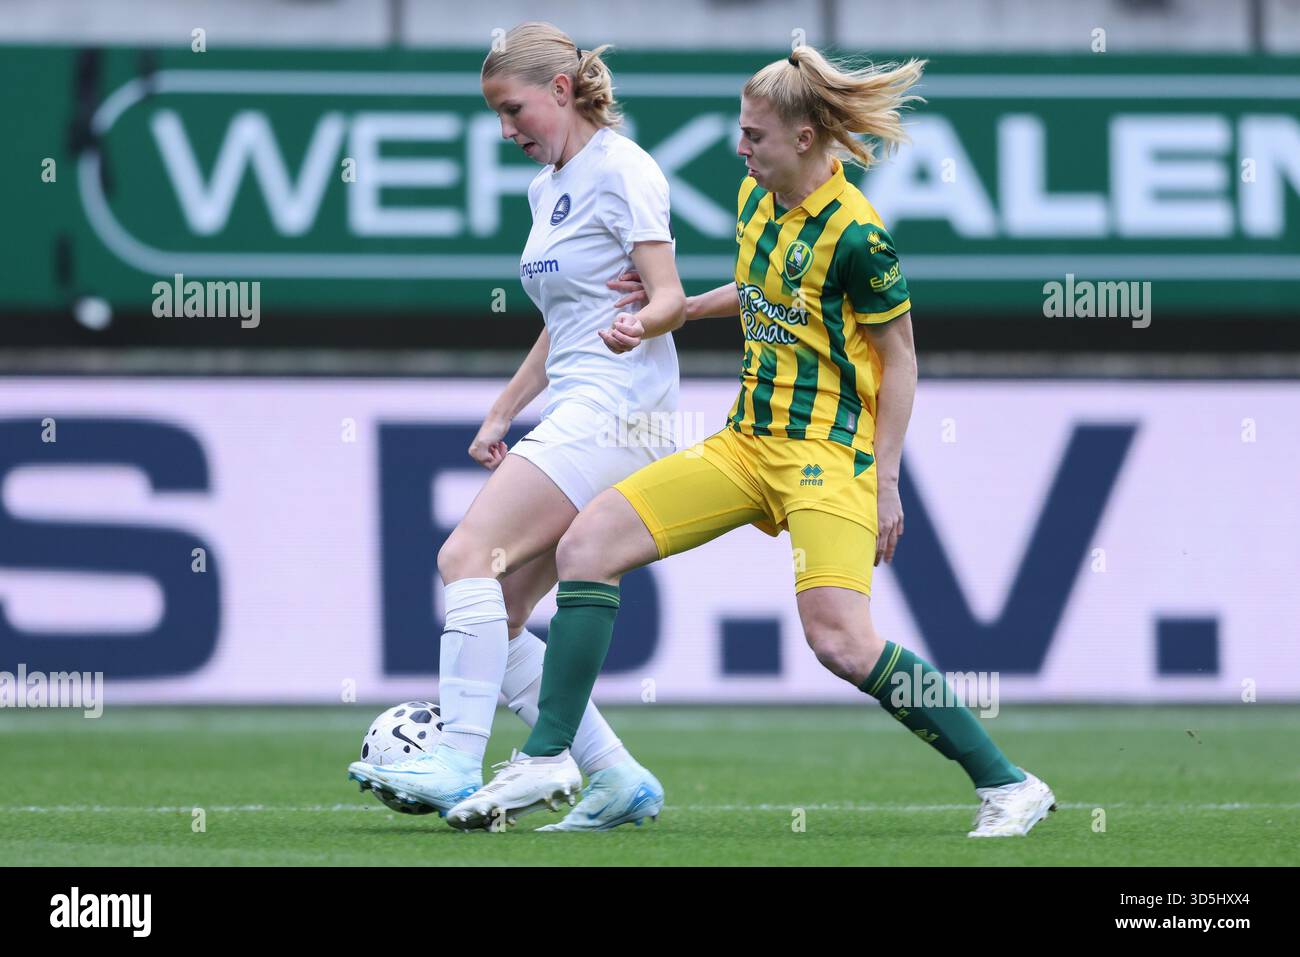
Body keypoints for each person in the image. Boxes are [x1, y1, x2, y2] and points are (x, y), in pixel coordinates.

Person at [447, 46, 1057, 838]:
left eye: (754, 135)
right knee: (587, 545)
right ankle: (551, 752)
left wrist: (888, 480)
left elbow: (901, 356)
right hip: (746, 442)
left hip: (826, 456)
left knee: (840, 641)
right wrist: (691, 307)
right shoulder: (756, 198)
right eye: (742, 132)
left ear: (805, 138)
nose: (741, 148)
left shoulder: (860, 237)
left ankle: (1008, 782)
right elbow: (765, 287)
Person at [348, 21, 686, 831]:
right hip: (583, 401)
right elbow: (565, 318)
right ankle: (617, 777)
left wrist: (643, 325)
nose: (506, 130)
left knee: (463, 554)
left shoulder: (625, 168)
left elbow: (668, 295)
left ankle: (457, 757)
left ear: (561, 91)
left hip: (621, 409)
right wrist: (505, 405)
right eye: (497, 115)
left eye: (513, 109)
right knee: (496, 613)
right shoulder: (549, 188)